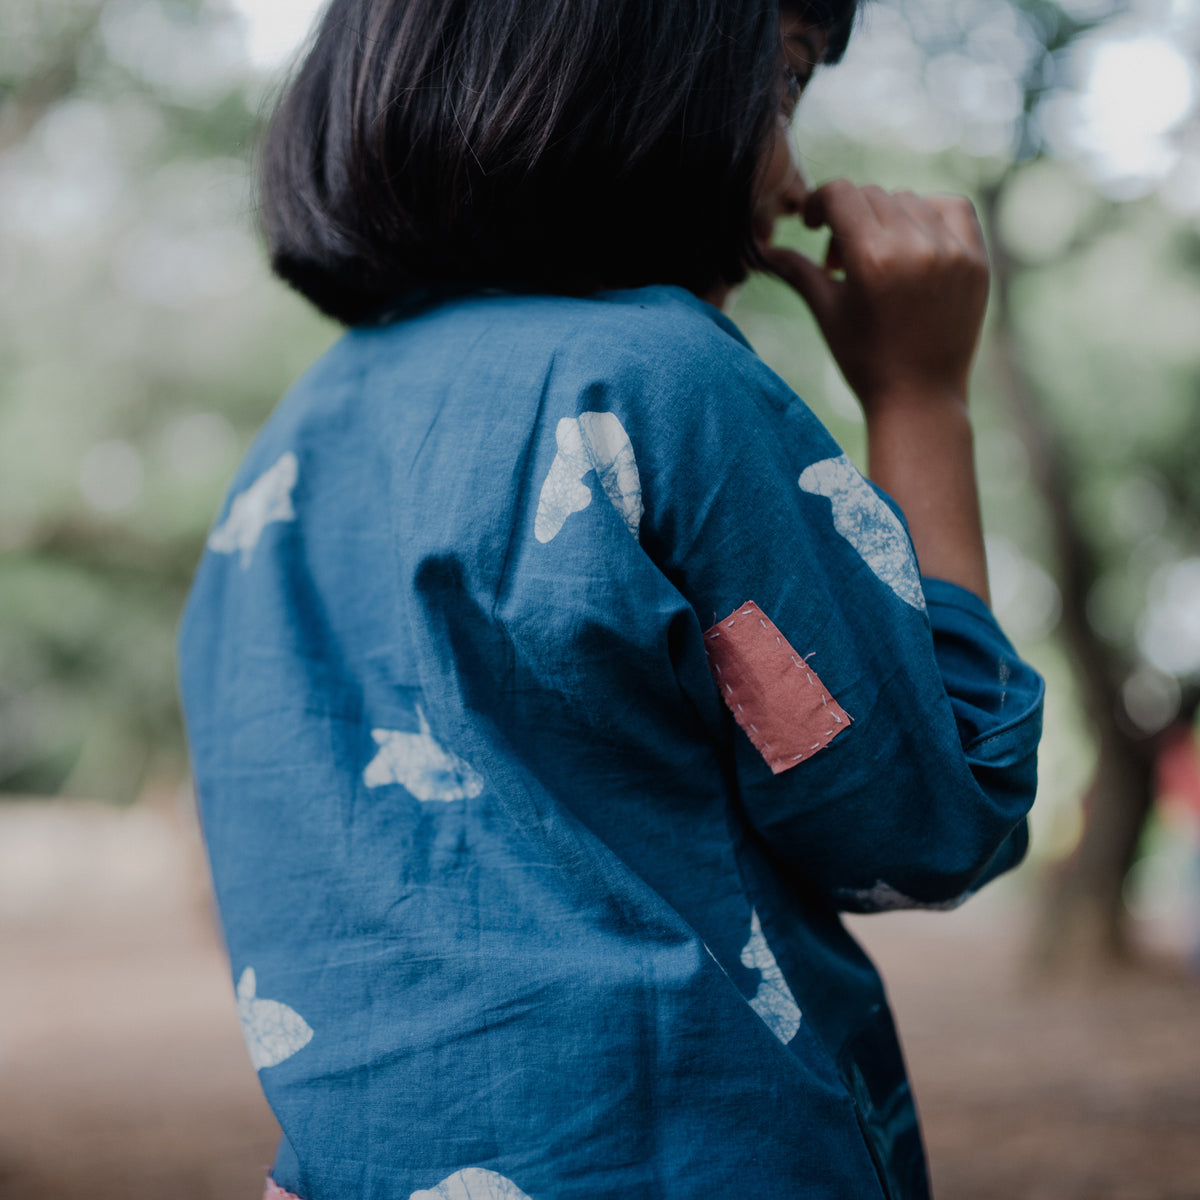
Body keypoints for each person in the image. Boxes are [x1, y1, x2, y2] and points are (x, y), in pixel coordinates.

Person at [178, 0, 1045, 1197]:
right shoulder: (656, 383)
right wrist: (921, 399)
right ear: (619, 61)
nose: (795, 180)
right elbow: (929, 824)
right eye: (785, 83)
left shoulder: (281, 461)